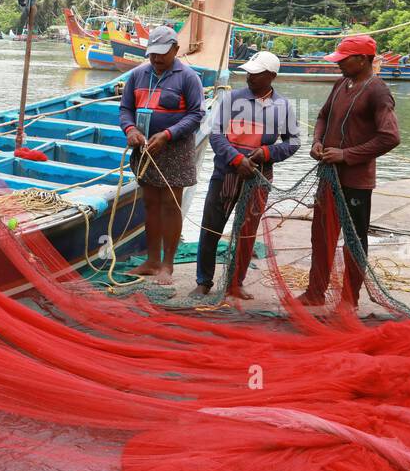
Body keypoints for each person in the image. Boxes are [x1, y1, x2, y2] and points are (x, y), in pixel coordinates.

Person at [298, 34, 400, 308]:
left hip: (355, 181)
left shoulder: (377, 91)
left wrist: (346, 155)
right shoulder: (342, 83)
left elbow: (390, 137)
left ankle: (349, 300)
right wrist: (317, 142)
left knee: (354, 240)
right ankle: (315, 292)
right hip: (328, 177)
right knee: (321, 235)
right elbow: (322, 117)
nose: (338, 65)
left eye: (344, 60)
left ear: (363, 59)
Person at [192, 51, 300, 301]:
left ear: (272, 76)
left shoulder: (282, 106)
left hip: (259, 178)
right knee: (211, 227)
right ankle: (203, 281)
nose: (250, 76)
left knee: (247, 231)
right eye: (249, 72)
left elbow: (293, 142)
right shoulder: (231, 99)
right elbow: (216, 135)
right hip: (225, 174)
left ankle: (235, 283)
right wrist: (236, 159)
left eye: (257, 73)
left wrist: (267, 152)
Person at [119, 25, 205, 284]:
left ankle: (168, 264)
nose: (156, 59)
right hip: (144, 149)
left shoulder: (189, 78)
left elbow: (196, 116)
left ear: (176, 50)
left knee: (170, 204)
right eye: (152, 54)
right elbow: (125, 109)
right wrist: (130, 128)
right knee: (150, 203)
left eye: (162, 53)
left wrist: (168, 135)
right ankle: (152, 260)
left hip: (174, 150)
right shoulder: (136, 75)